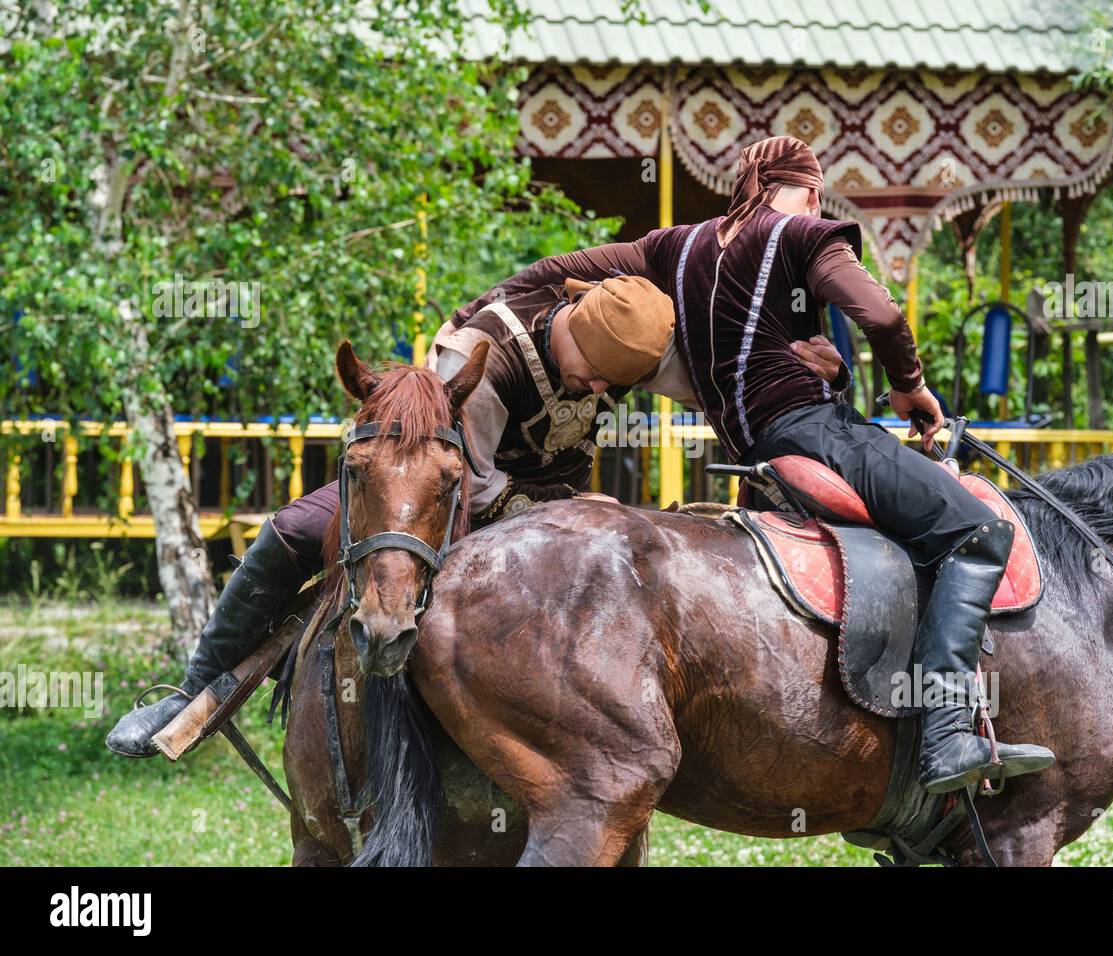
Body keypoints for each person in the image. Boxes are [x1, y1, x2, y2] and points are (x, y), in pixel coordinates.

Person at [451, 137, 1056, 794]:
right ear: (811, 191)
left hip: (753, 450)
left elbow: (552, 267)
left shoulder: (671, 248)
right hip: (818, 431)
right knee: (976, 531)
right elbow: (880, 312)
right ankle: (945, 734)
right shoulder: (806, 237)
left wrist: (470, 321)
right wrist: (907, 383)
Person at [106, 274, 843, 757]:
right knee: (297, 529)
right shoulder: (485, 354)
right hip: (447, 492)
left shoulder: (625, 345)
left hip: (553, 510)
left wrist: (789, 366)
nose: (596, 388)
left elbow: (712, 385)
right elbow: (472, 479)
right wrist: (554, 513)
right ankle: (193, 690)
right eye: (590, 371)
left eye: (615, 383)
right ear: (571, 328)